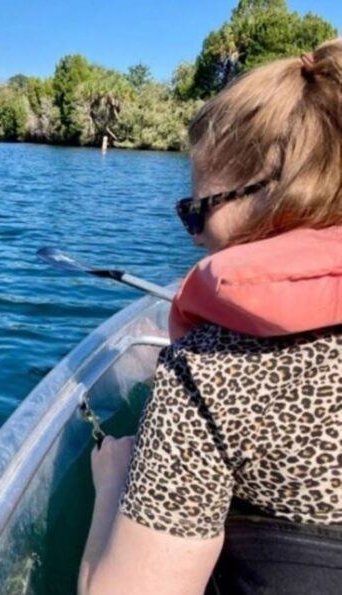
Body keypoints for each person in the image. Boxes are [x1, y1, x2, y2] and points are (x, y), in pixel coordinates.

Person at [78, 39, 342, 595]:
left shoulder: (213, 369)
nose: (194, 238)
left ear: (277, 195)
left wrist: (113, 484)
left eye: (196, 212)